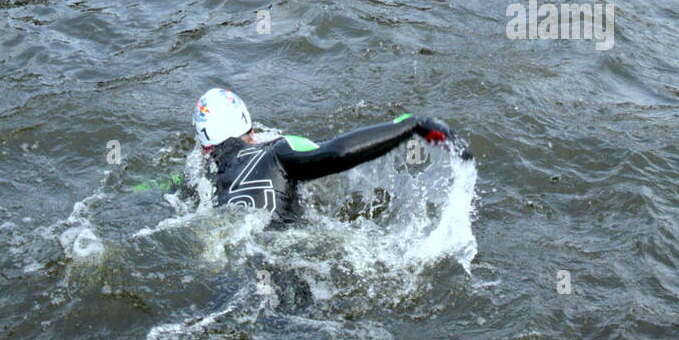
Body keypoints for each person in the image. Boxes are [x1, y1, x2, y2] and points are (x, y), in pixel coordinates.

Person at [194, 88, 472, 224]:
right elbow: (337, 153)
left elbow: (150, 187)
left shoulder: (198, 179)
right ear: (250, 128)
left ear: (205, 144)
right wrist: (410, 125)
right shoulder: (277, 151)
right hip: (285, 266)